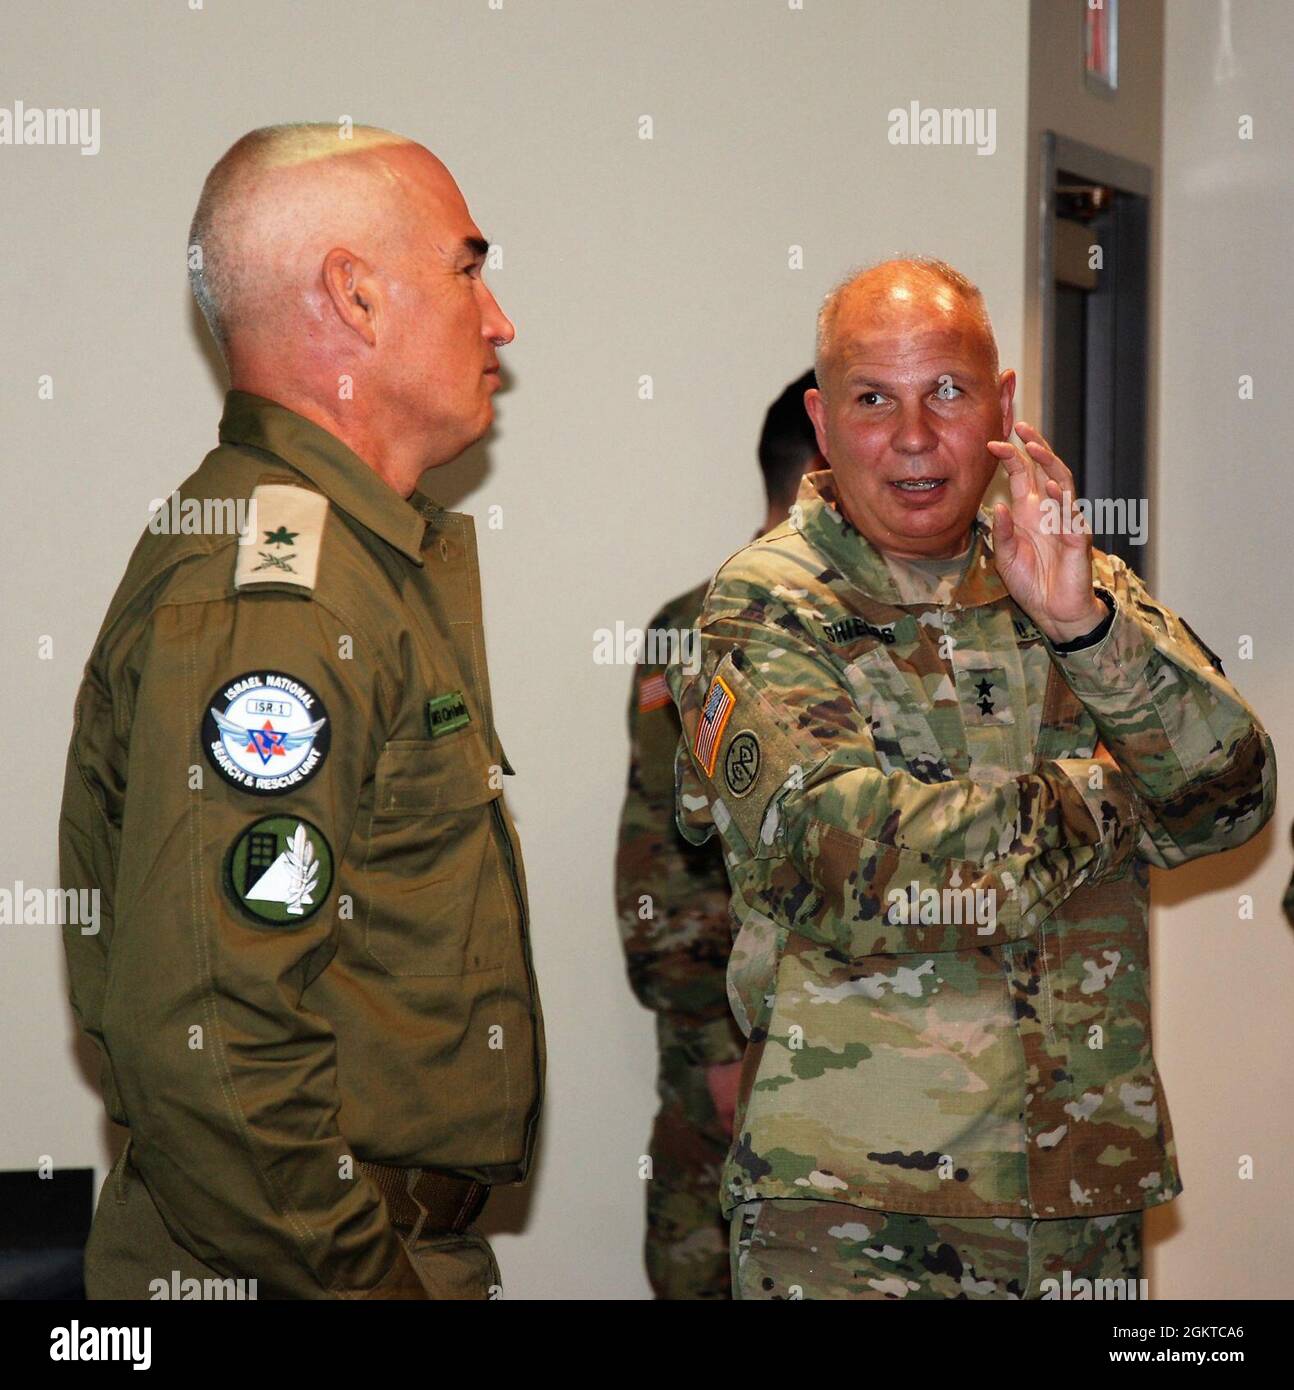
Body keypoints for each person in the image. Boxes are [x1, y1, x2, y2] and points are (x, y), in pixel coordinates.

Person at [667, 257, 1276, 1300]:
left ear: (999, 407)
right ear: (821, 421)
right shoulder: (765, 605)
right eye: (874, 400)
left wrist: (1084, 630)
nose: (913, 437)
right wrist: (1098, 799)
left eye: (945, 391)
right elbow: (851, 859)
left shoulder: (1072, 579)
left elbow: (1231, 795)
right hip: (862, 1213)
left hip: (1083, 1191)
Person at [58, 123, 544, 1300]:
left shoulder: (340, 562)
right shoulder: (275, 595)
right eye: (469, 269)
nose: (499, 321)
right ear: (356, 296)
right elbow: (216, 1045)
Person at [614, 371, 822, 1299]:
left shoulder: (891, 628)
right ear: (821, 466)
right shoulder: (702, 628)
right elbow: (667, 860)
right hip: (738, 1061)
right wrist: (722, 1049)